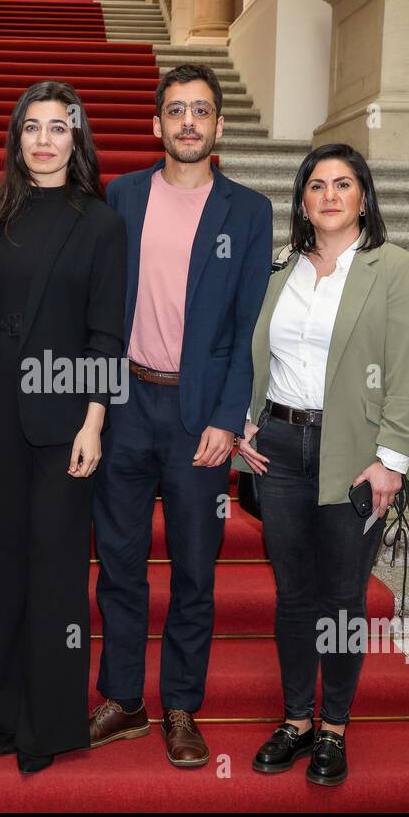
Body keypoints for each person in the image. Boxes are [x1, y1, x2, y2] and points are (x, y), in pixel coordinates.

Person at [88, 63, 272, 768]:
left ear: (219, 126)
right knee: (121, 563)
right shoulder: (122, 196)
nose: (188, 122)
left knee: (196, 568)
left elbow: (249, 323)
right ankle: (125, 699)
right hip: (129, 402)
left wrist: (229, 416)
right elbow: (100, 307)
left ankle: (181, 707)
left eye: (200, 111)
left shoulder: (248, 212)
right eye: (176, 110)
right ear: (156, 124)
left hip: (201, 414)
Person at [234, 142, 409, 786]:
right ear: (302, 201)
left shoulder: (392, 269)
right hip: (281, 449)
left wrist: (391, 460)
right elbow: (253, 351)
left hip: (356, 455)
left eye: (342, 184)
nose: (328, 196)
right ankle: (295, 721)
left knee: (342, 599)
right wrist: (243, 420)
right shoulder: (280, 269)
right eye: (316, 185)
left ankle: (334, 729)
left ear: (363, 198)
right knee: (293, 594)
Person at [0, 80, 128, 775]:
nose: (43, 139)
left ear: (76, 138)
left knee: (57, 571)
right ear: (17, 138)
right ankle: (2, 707)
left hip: (67, 417)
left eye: (57, 127)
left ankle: (49, 722)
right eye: (31, 127)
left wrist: (94, 421)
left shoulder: (100, 222)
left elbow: (107, 331)